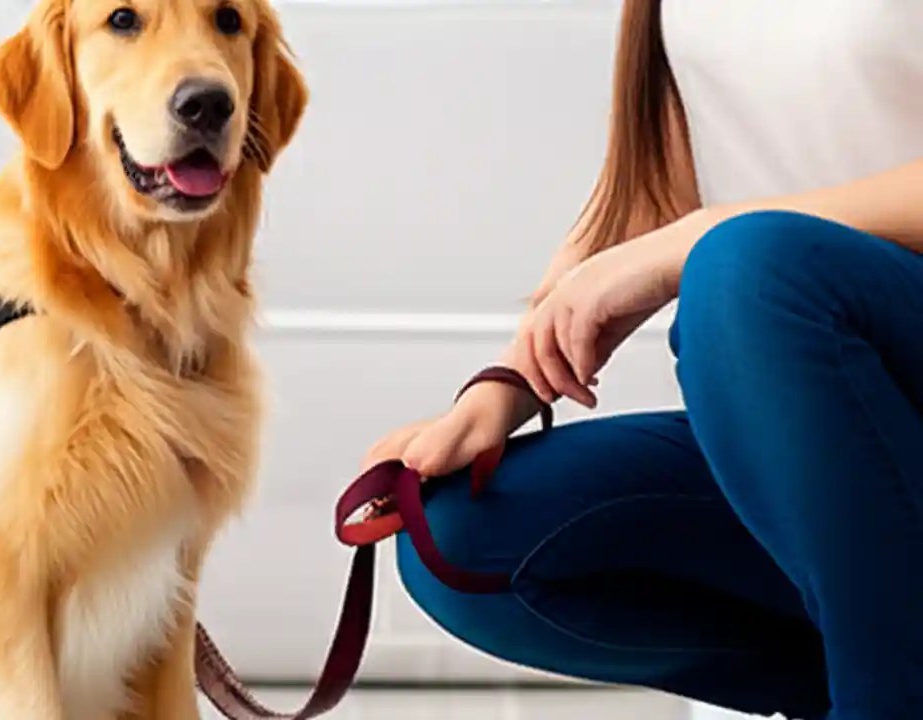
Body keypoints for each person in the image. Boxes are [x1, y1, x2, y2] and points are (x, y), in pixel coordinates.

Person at [362, 2, 923, 718]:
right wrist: (500, 392)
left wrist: (705, 236)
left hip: (864, 343)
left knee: (744, 267)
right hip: (820, 442)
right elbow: (651, 193)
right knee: (459, 540)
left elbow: (702, 240)